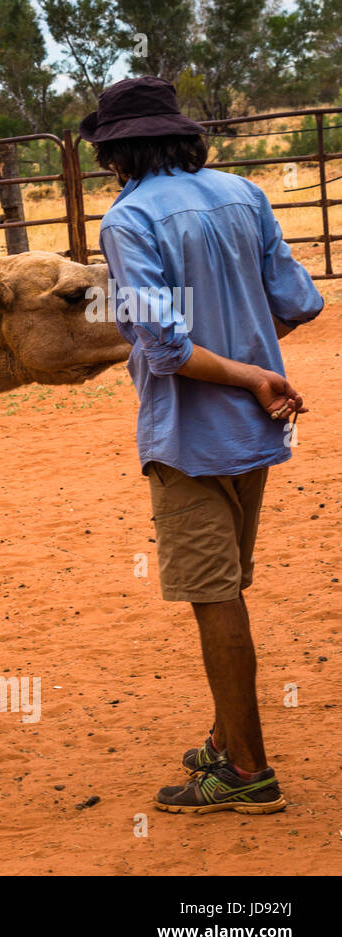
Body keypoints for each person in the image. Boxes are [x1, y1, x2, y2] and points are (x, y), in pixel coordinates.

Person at [80, 77, 324, 814]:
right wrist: (252, 361)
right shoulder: (242, 194)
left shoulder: (129, 222)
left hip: (188, 433)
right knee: (232, 582)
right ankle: (225, 739)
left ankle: (245, 772)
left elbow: (162, 344)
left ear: (119, 155)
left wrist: (239, 371)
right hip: (258, 426)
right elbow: (298, 301)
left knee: (214, 595)